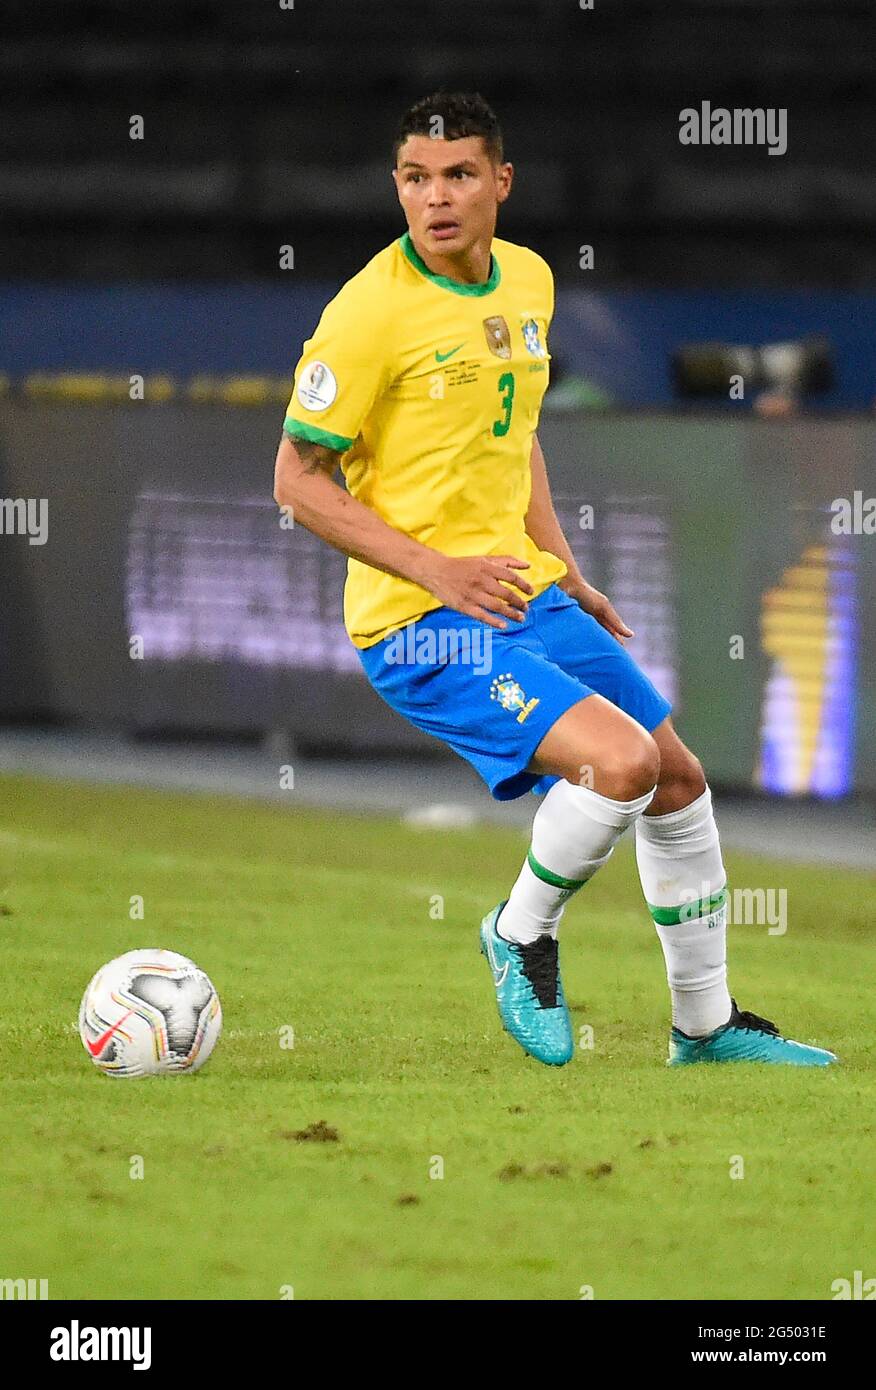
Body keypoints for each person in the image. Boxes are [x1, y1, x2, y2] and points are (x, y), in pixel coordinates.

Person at [273, 91, 836, 1068]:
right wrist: (436, 570)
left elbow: (514, 432)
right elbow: (294, 481)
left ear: (501, 182)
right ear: (398, 186)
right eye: (415, 177)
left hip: (523, 593)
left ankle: (703, 1027)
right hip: (423, 619)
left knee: (678, 781)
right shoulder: (367, 315)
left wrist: (566, 571)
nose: (436, 197)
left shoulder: (528, 281)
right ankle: (518, 930)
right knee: (618, 766)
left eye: (457, 175)